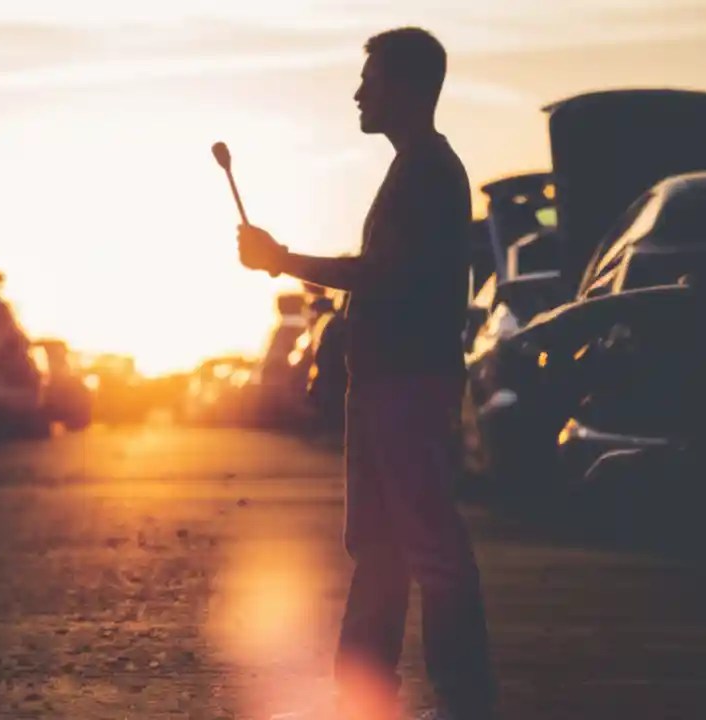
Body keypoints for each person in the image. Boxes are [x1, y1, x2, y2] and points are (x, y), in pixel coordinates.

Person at [236, 28, 496, 720]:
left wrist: (281, 259)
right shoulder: (417, 169)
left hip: (407, 388)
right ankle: (366, 691)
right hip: (392, 386)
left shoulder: (426, 172)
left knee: (427, 546)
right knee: (383, 548)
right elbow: (384, 278)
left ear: (407, 89)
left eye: (371, 79)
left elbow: (380, 276)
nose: (359, 91)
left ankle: (463, 694)